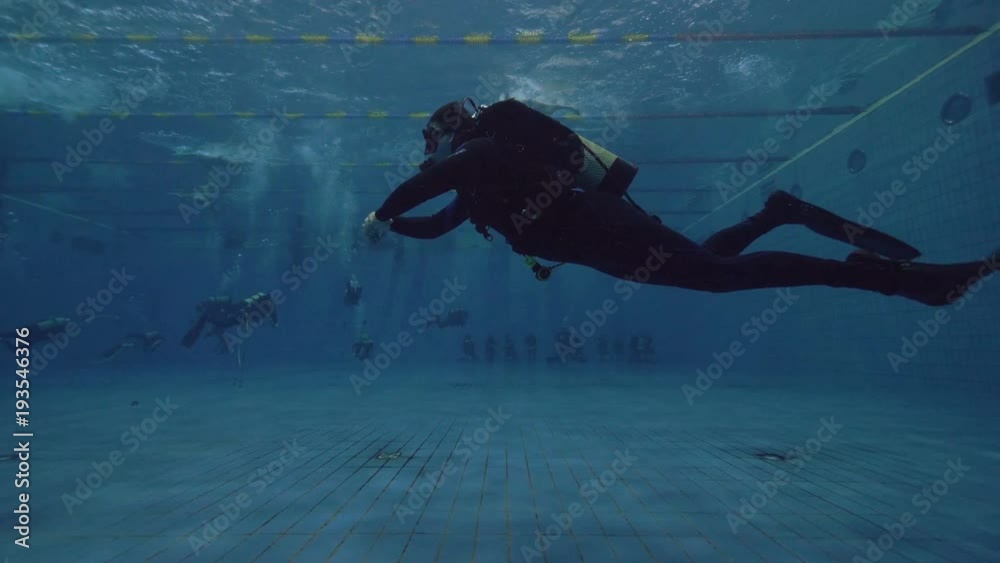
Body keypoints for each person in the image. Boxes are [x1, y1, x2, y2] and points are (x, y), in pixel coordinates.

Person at [361, 98, 995, 306]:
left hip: (605, 230)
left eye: (431, 139)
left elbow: (422, 190)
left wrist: (381, 213)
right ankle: (775, 212)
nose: (430, 151)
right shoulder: (476, 186)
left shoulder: (478, 154)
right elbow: (438, 221)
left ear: (450, 133)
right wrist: (396, 230)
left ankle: (901, 283)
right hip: (605, 242)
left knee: (718, 279)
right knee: (705, 266)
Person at [99, 331, 165, 362]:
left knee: (121, 346)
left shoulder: (145, 339)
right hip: (137, 340)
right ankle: (106, 355)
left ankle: (106, 355)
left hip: (137, 340)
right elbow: (149, 346)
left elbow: (149, 347)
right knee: (121, 345)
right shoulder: (145, 338)